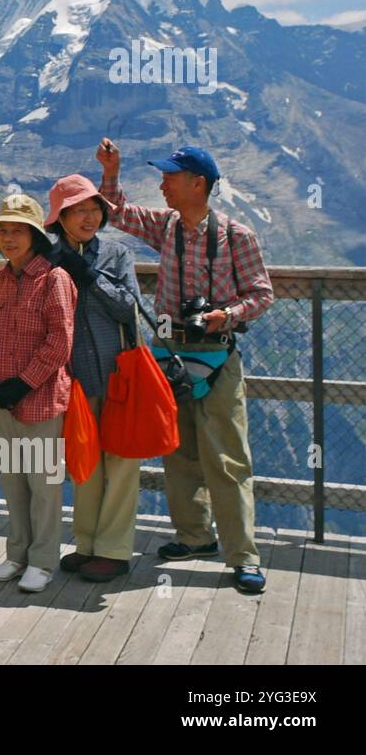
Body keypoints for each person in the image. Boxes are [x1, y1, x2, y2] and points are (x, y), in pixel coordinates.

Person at [96, 141, 274, 595]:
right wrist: (111, 171)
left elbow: (261, 294)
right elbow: (115, 212)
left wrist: (226, 315)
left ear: (199, 183)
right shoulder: (167, 226)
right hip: (170, 354)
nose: (162, 184)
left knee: (227, 458)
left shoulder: (238, 236)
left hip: (216, 354)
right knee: (178, 452)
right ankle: (195, 538)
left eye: (171, 177)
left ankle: (243, 556)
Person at [0, 194, 76, 593]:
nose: (8, 237)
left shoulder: (55, 279)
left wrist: (23, 383)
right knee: (13, 482)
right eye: (3, 230)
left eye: (17, 230)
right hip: (1, 401)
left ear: (35, 235)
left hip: (41, 401)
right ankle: (16, 555)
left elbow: (60, 340)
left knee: (44, 485)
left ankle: (44, 561)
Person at [45, 175, 143, 582]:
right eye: (79, 210)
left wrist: (89, 275)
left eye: (94, 208)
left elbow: (128, 308)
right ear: (61, 218)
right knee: (84, 463)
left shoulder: (116, 255)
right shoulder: (47, 260)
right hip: (75, 378)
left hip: (118, 375)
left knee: (121, 462)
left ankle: (115, 551)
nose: (89, 216)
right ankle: (86, 544)